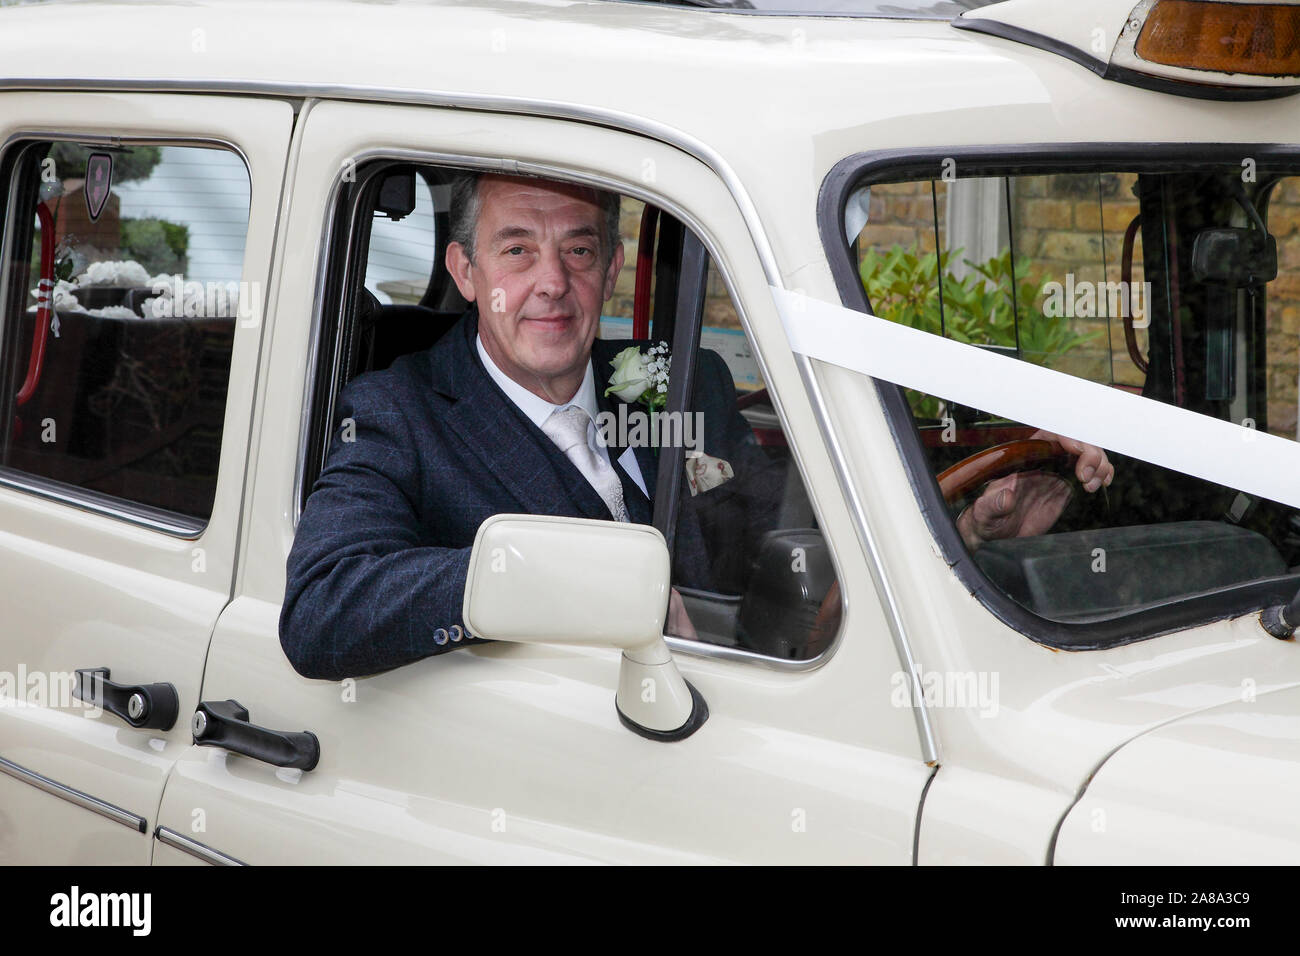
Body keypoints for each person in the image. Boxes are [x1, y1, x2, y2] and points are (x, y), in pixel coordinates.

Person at [279, 172, 1113, 680]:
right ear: (464, 270)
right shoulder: (398, 413)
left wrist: (967, 523)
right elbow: (322, 609)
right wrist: (568, 579)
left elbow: (777, 545)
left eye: (577, 250)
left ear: (610, 266)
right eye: (516, 251)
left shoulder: (669, 382)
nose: (552, 284)